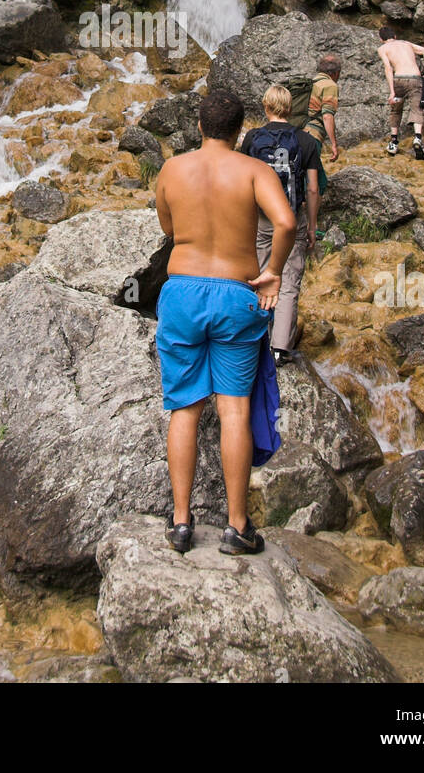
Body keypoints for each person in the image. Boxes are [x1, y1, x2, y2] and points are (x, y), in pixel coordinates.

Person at [154, 88, 295, 556]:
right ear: (241, 130)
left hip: (182, 293)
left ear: (199, 126)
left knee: (185, 408)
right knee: (234, 407)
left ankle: (179, 522)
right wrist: (272, 271)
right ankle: (236, 526)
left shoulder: (173, 169)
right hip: (238, 294)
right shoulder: (255, 170)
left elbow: (169, 229)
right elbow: (286, 223)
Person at [241, 85, 320, 364]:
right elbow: (312, 189)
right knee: (288, 281)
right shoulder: (307, 141)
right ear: (289, 107)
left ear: (266, 106)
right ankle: (280, 347)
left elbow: (244, 179)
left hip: (262, 217)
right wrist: (311, 225)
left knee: (260, 276)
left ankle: (256, 339)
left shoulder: (252, 138)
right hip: (292, 217)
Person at [377, 25, 424, 159]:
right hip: (415, 79)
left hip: (399, 80)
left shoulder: (382, 48)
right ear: (395, 37)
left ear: (381, 39)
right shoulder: (406, 44)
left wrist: (392, 92)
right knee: (417, 109)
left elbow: (388, 69)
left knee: (396, 110)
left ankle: (394, 142)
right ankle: (418, 139)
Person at [302, 53, 341, 193]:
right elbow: (327, 116)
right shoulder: (330, 85)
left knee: (306, 176)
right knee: (319, 182)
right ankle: (313, 213)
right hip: (313, 135)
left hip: (300, 133)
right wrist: (334, 144)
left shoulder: (311, 82)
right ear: (335, 73)